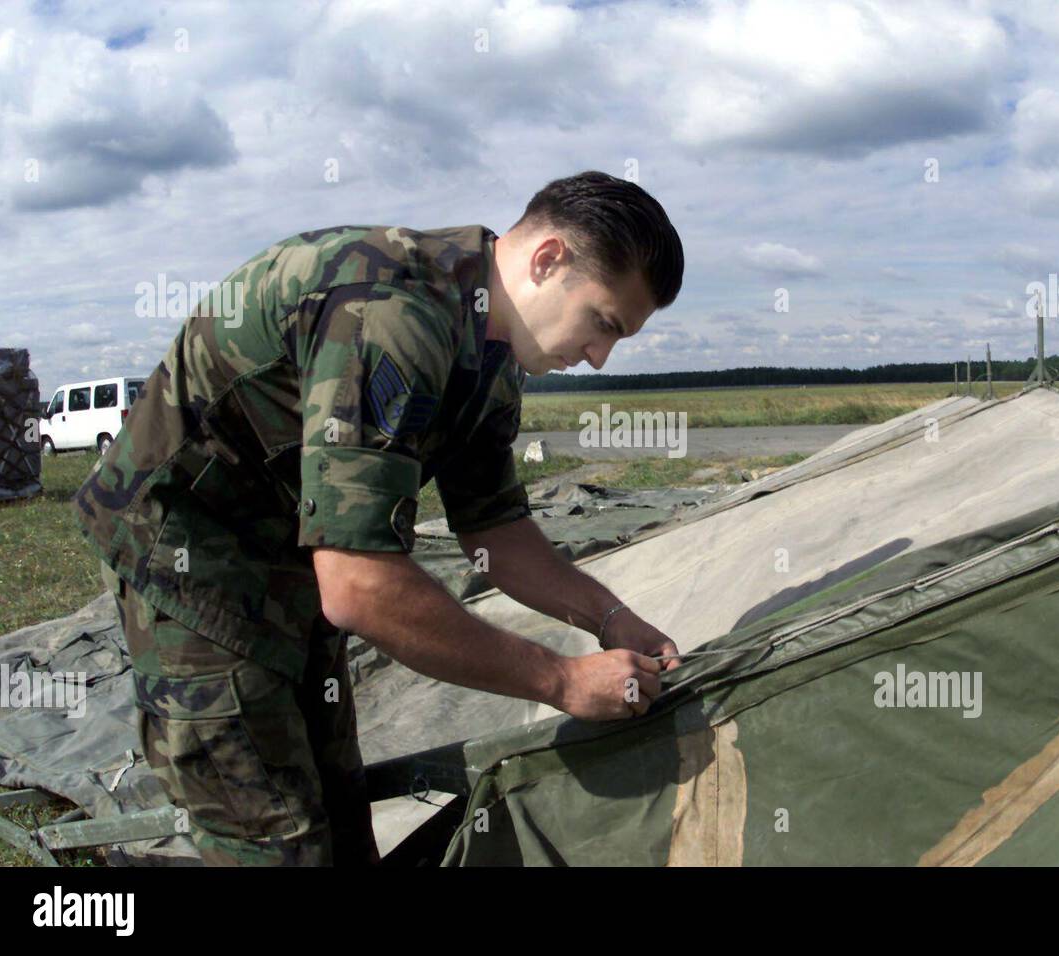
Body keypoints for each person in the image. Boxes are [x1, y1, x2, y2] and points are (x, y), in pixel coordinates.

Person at [74, 170, 685, 865]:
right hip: (189, 556)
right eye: (603, 323)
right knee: (273, 835)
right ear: (547, 261)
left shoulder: (493, 352)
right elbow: (359, 585)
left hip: (293, 554)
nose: (600, 358)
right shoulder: (393, 312)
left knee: (338, 810)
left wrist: (610, 618)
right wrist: (563, 681)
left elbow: (495, 531)